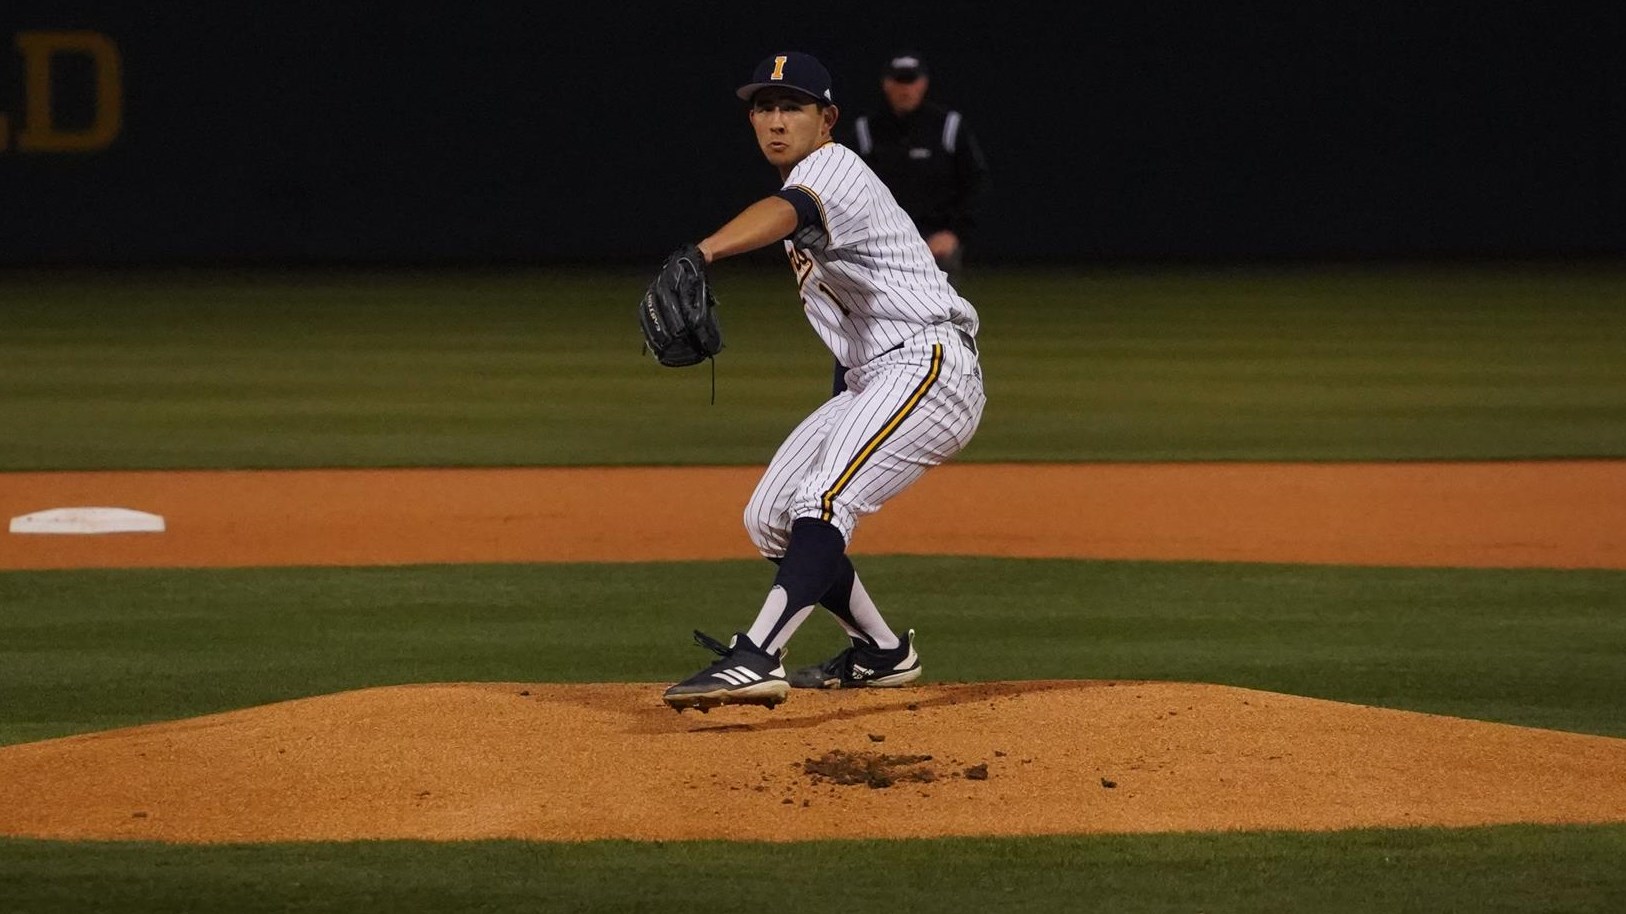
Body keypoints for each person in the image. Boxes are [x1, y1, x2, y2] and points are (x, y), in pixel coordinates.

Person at [662, 52, 987, 712]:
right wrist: (847, 408)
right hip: (876, 375)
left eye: (793, 107)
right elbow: (854, 326)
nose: (777, 121)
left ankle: (757, 655)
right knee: (771, 517)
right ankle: (881, 652)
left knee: (824, 497)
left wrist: (704, 251)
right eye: (764, 108)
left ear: (827, 118)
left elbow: (787, 209)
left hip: (929, 364)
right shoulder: (811, 184)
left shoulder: (832, 168)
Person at [851, 51, 988, 279]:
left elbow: (975, 182)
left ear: (923, 83)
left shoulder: (948, 126)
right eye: (899, 81)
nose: (905, 89)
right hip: (881, 240)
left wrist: (954, 233)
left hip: (935, 239)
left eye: (911, 81)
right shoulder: (866, 130)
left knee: (936, 296)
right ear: (886, 84)